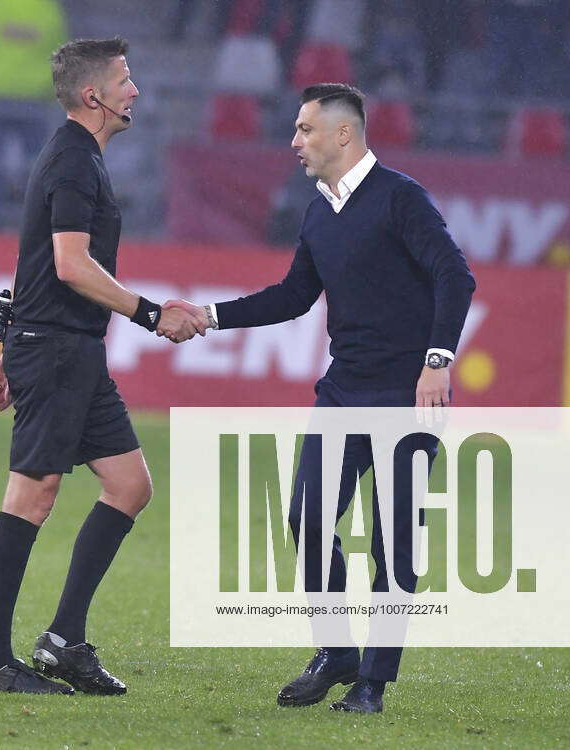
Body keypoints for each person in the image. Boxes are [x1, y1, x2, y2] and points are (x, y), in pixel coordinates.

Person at [166, 83, 475, 713]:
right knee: (307, 517)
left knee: (393, 540)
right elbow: (293, 296)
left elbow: (455, 274)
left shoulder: (400, 197)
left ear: (343, 133)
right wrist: (210, 316)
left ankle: (372, 683)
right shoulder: (317, 213)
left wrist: (436, 362)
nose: (295, 142)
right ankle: (336, 651)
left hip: (407, 395)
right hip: (343, 390)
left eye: (305, 129)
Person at [0, 37, 203, 695]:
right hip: (54, 347)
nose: (136, 90)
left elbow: (31, 257)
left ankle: (63, 641)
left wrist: (4, 341)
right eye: (125, 80)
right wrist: (151, 314)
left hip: (67, 348)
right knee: (33, 492)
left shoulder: (78, 158)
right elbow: (70, 265)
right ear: (93, 94)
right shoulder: (73, 161)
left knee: (129, 486)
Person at [0, 0, 68, 227]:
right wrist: (54, 92)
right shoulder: (48, 10)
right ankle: (34, 222)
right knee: (34, 165)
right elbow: (62, 58)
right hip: (34, 97)